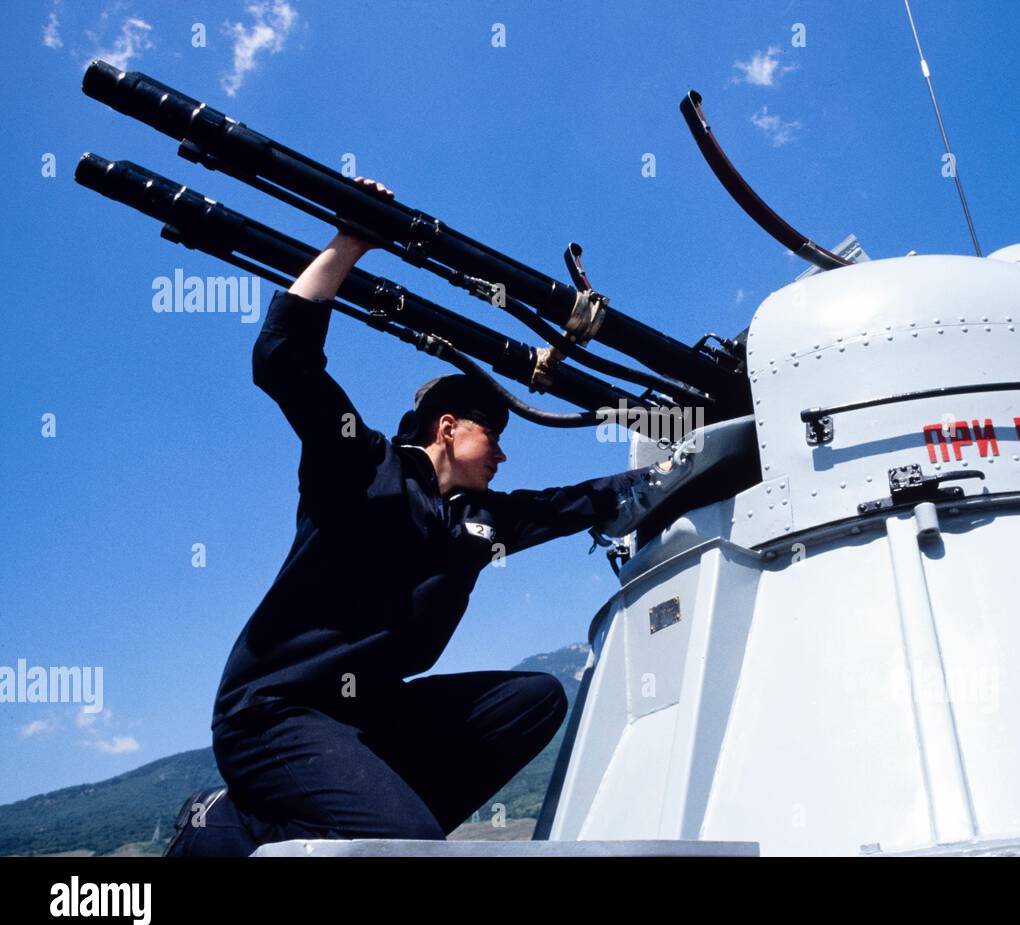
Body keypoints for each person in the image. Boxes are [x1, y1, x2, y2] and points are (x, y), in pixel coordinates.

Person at [164, 178, 657, 856]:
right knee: (405, 846)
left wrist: (677, 466)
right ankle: (230, 824)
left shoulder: (480, 523)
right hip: (278, 713)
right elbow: (282, 360)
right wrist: (351, 241)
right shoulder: (360, 464)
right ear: (448, 427)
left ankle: (370, 826)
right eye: (495, 437)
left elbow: (571, 503)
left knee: (537, 698)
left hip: (368, 718)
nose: (505, 456)